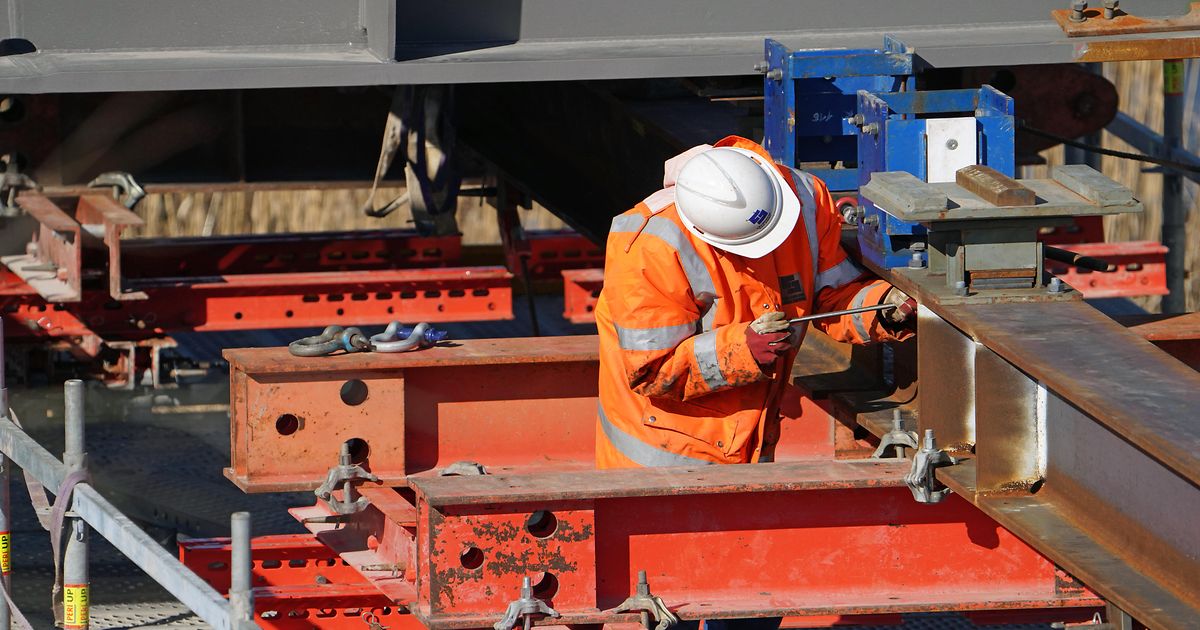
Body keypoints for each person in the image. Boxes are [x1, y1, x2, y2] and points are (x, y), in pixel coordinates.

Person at [594, 136, 916, 629]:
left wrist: (883, 309)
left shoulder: (806, 201)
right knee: (661, 603)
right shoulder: (649, 246)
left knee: (748, 600)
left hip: (749, 449)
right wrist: (742, 350)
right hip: (661, 458)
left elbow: (832, 295)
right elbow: (652, 369)